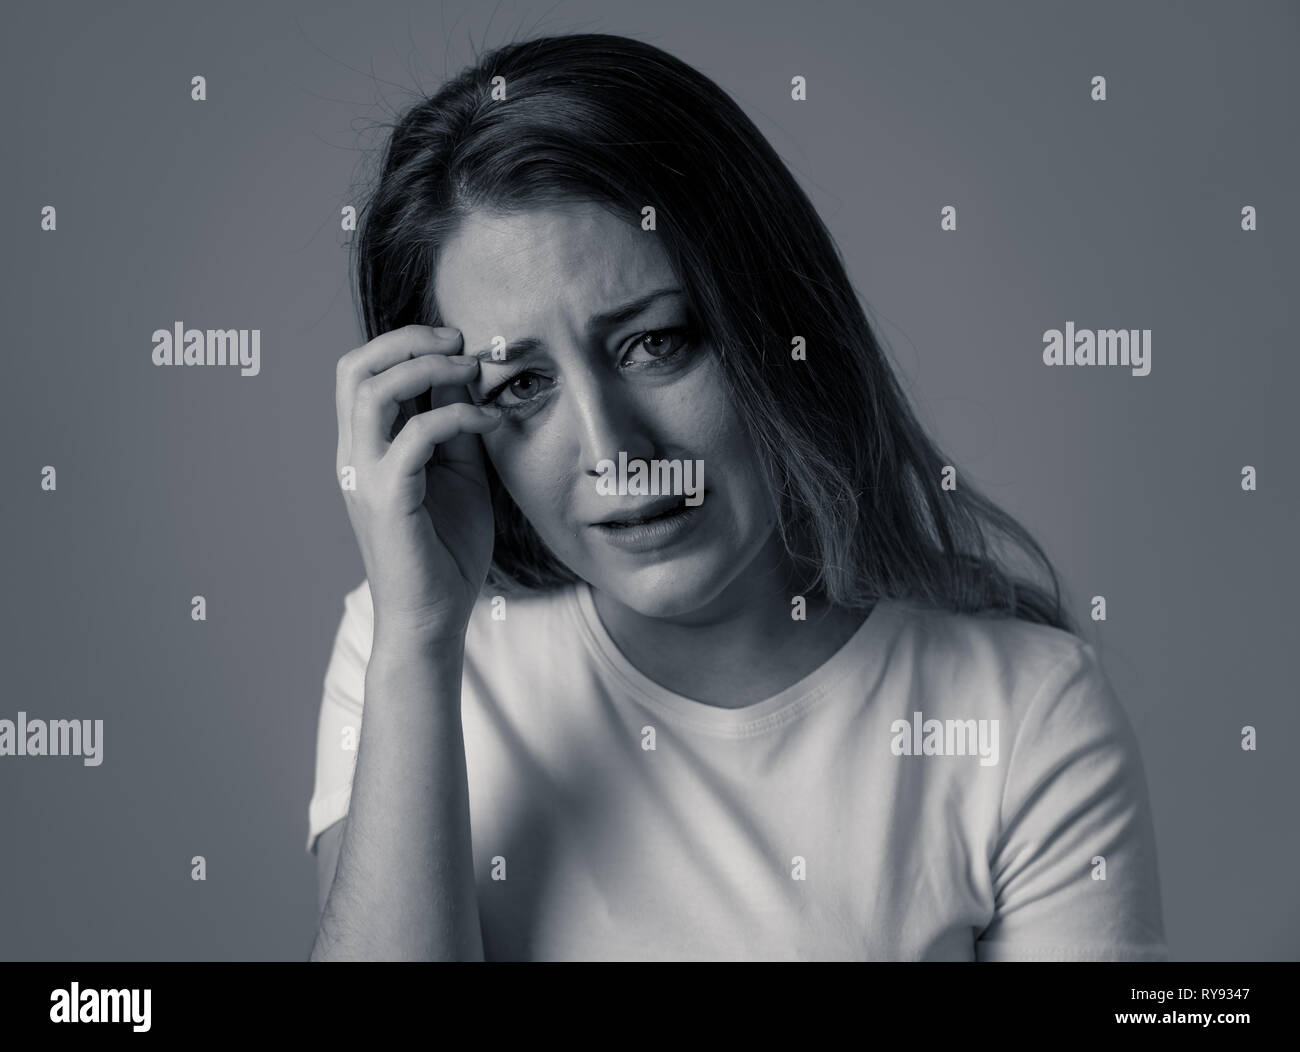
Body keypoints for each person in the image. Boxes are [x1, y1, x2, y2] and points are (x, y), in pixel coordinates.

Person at [307, 32, 1166, 961]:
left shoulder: (1025, 716)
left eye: (656, 342)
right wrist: (418, 646)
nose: (614, 453)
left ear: (775, 325)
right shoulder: (407, 652)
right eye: (522, 385)